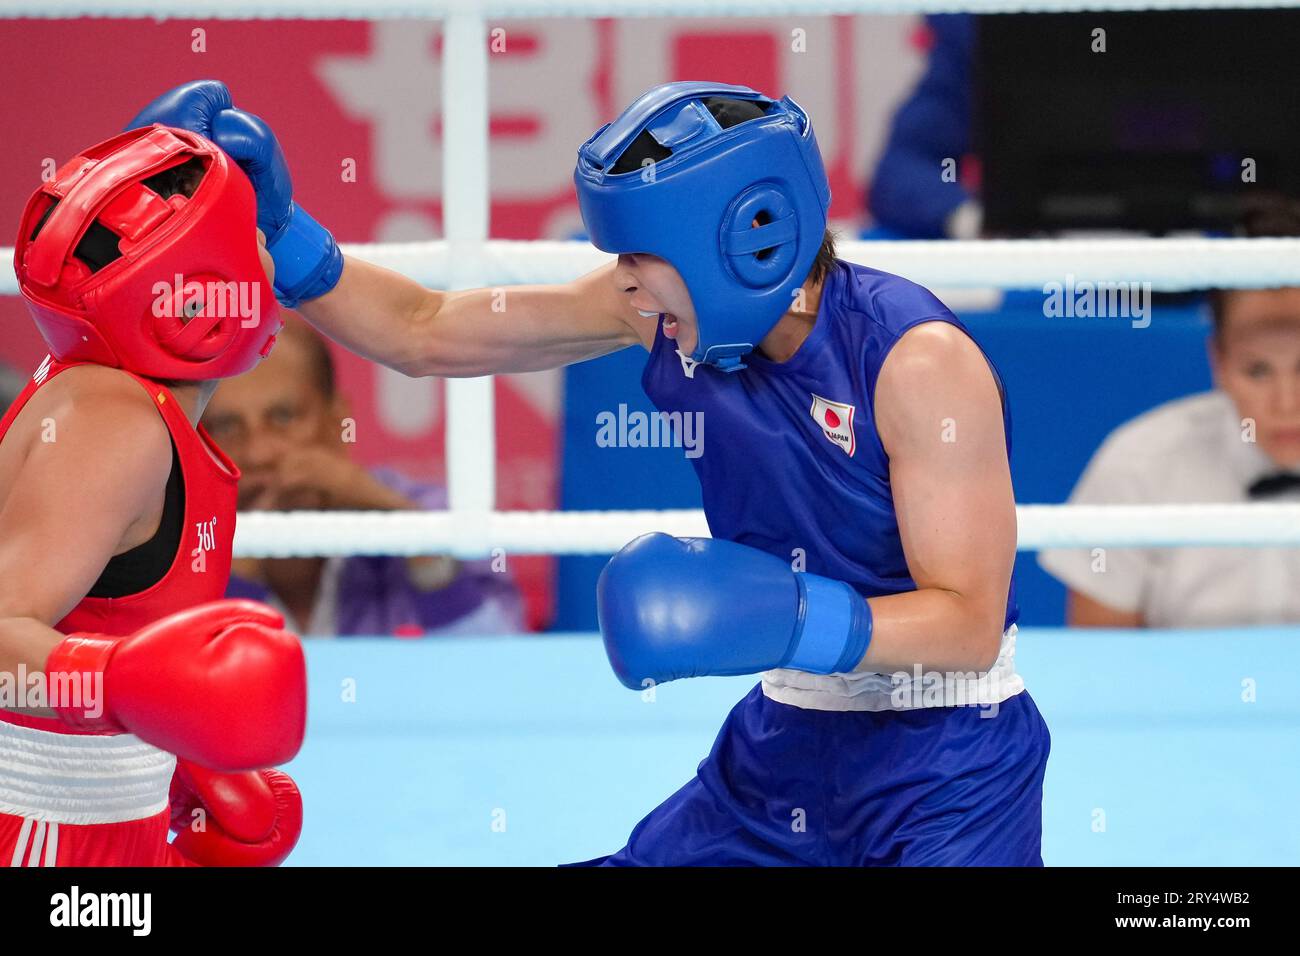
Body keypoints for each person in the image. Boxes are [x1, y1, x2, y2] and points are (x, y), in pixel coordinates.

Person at [136, 79, 1049, 866]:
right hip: (792, 736)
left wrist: (791, 615)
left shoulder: (918, 362)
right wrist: (286, 237)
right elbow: (427, 329)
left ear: (752, 239)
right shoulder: (655, 305)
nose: (625, 282)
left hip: (950, 757)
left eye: (643, 259)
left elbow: (968, 626)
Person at [0, 125, 305, 867]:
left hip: (98, 824)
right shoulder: (115, 426)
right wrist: (130, 687)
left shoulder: (125, 405)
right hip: (42, 831)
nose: (268, 261)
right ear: (200, 301)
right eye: (250, 241)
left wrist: (166, 747)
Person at [1039, 203, 1300, 628]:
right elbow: (1100, 669)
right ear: (1219, 362)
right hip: (1182, 697)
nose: (1287, 403)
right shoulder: (1139, 467)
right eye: (1258, 370)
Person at [204, 316, 526, 636]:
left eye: (283, 417)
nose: (259, 452)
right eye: (228, 427)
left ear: (337, 421)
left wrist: (409, 532)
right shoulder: (184, 547)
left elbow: (501, 669)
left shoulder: (428, 513)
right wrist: (236, 575)